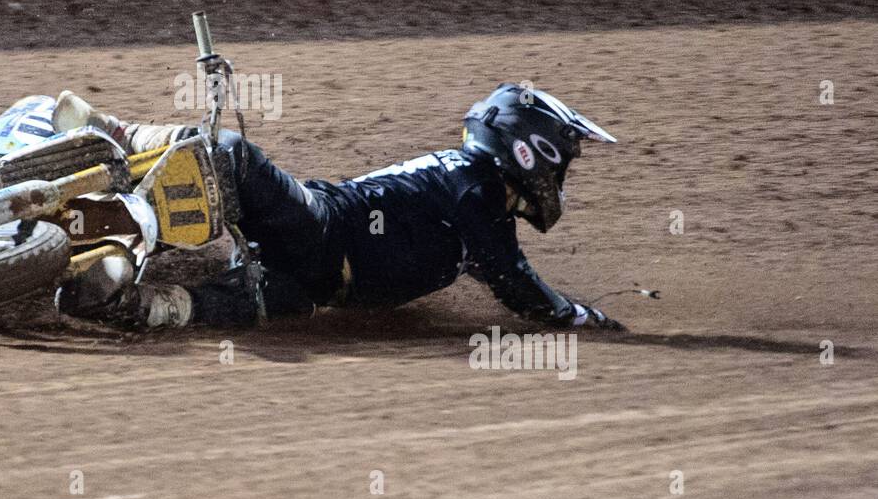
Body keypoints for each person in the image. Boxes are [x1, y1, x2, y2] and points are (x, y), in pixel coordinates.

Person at [51, 83, 625, 332]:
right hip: (321, 230)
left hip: (317, 275)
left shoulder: (475, 196)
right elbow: (518, 284)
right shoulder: (477, 192)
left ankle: (128, 299)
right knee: (230, 156)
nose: (560, 178)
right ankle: (119, 139)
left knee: (273, 304)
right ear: (531, 151)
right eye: (563, 162)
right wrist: (583, 317)